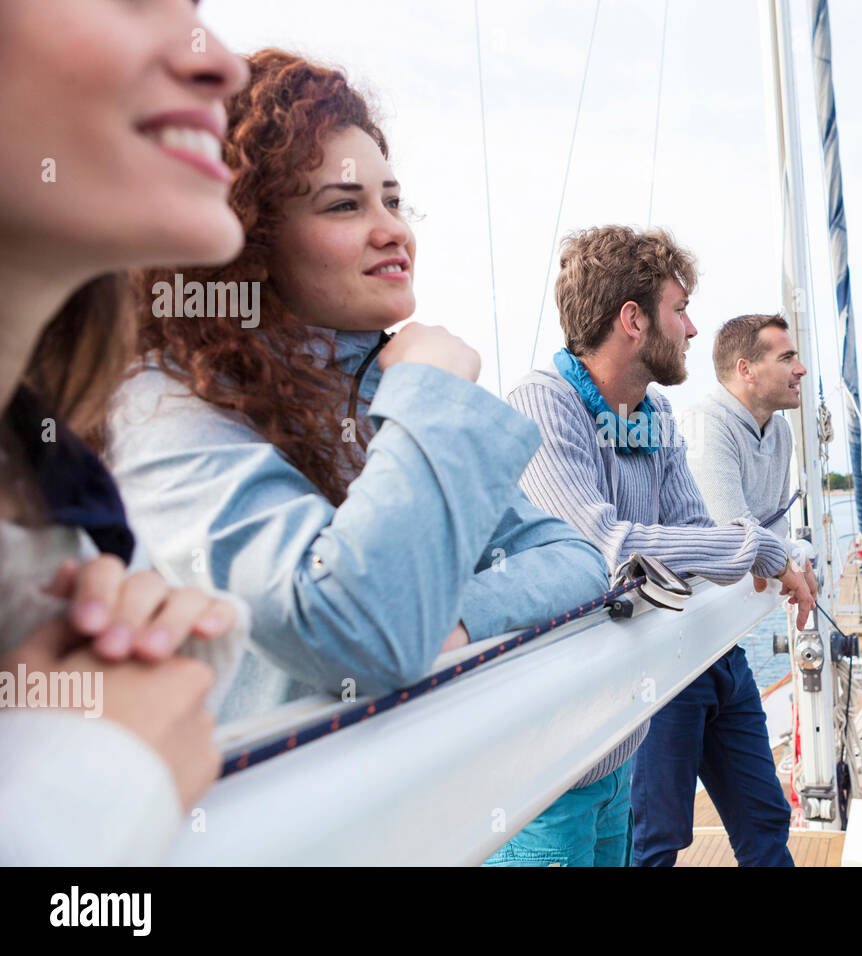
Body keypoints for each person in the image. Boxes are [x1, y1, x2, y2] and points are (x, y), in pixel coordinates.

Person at [106, 50, 609, 724]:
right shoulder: (165, 404)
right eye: (345, 205)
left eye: (393, 200)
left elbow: (572, 557)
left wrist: (452, 617)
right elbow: (354, 628)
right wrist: (431, 390)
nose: (394, 229)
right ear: (248, 239)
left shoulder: (383, 390)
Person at [0, 0, 250, 863]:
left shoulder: (73, 509)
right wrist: (91, 788)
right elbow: (363, 624)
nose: (223, 63)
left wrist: (148, 686)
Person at [505, 225, 810, 867]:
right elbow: (605, 547)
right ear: (634, 320)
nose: (694, 329)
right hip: (547, 766)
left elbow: (700, 537)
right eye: (680, 310)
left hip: (616, 739)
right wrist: (760, 548)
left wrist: (743, 548)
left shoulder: (655, 416)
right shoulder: (543, 403)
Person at [682, 313, 818, 600]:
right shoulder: (705, 424)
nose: (802, 369)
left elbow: (777, 521)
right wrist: (793, 556)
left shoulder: (780, 430)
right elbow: (731, 529)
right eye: (787, 358)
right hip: (692, 610)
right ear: (746, 370)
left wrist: (774, 555)